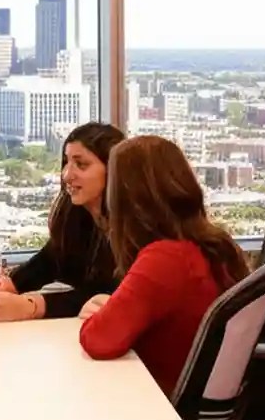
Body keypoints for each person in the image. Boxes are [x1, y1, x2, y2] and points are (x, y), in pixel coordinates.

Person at [78, 135, 249, 394]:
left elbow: (97, 340)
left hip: (162, 407)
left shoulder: (164, 259)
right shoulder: (213, 243)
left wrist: (103, 316)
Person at [0, 122, 126, 321]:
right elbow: (50, 260)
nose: (67, 175)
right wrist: (11, 284)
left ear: (112, 169)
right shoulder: (78, 218)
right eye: (66, 163)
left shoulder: (133, 229)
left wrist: (32, 306)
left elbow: (106, 296)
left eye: (81, 165)